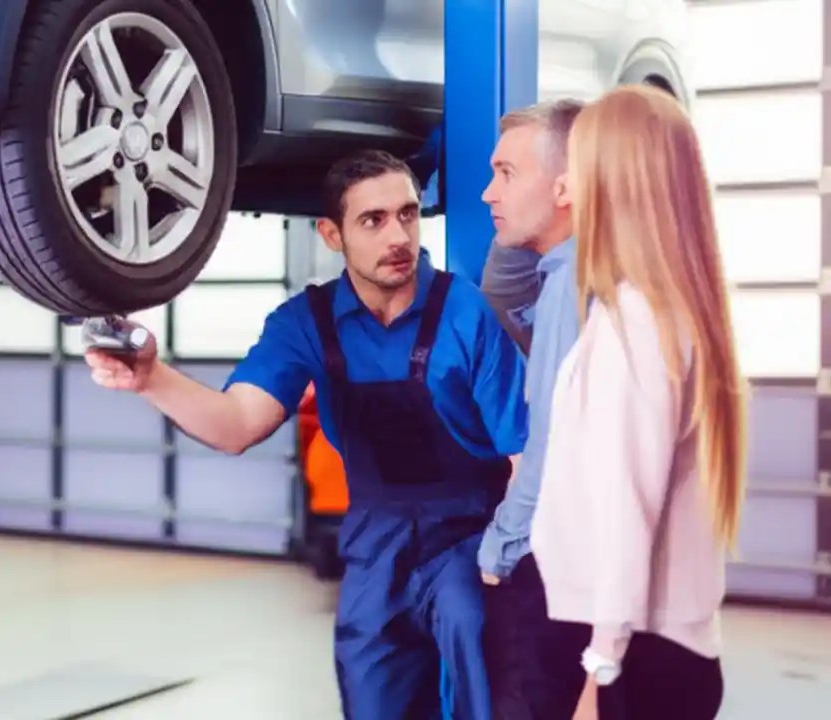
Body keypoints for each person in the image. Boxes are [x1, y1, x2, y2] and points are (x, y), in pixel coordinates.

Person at [85, 149, 528, 719]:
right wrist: (151, 377)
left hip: (469, 543)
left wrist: (505, 559)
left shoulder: (464, 311)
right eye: (372, 220)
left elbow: (522, 455)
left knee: (480, 679)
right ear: (331, 234)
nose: (398, 236)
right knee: (372, 699)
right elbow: (238, 423)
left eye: (408, 214)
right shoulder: (305, 323)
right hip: (376, 552)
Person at [531, 83, 745, 719]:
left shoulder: (640, 322)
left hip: (638, 655)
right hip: (662, 651)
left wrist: (603, 666)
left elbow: (627, 510)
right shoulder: (668, 311)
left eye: (580, 168)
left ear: (618, 183)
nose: (565, 187)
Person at [474, 98, 589, 719]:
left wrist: (501, 548)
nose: (489, 193)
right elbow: (503, 292)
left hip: (548, 564)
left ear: (567, 184)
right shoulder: (569, 274)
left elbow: (552, 442)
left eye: (507, 173)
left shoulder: (573, 288)